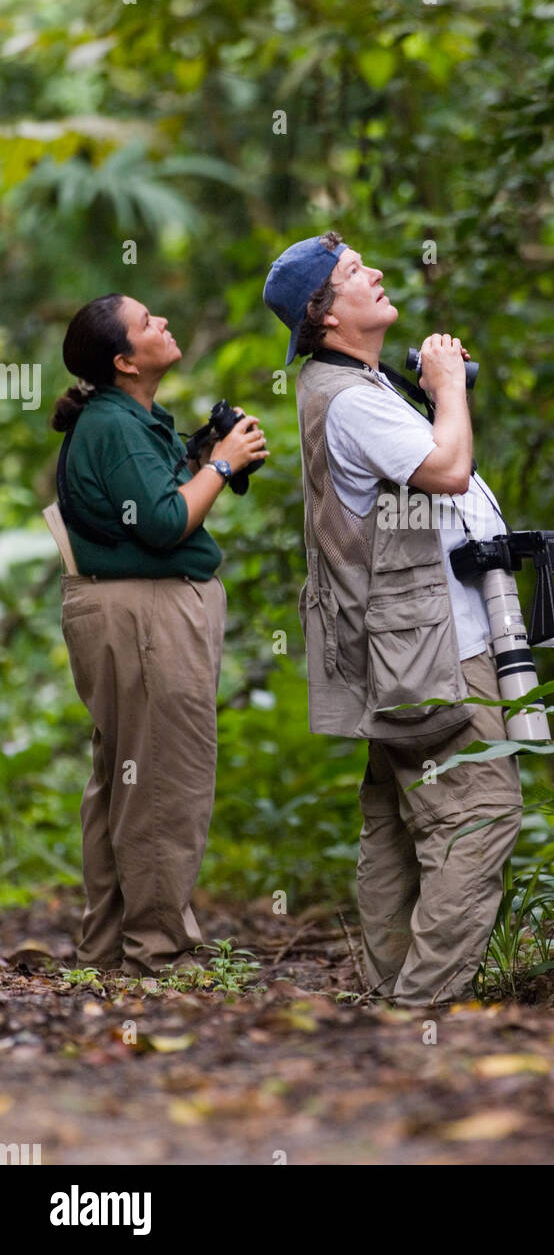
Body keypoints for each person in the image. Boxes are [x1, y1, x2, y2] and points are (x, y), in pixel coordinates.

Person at [264, 231, 523, 1007]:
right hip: (431, 653)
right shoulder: (345, 401)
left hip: (404, 645)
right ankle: (422, 1005)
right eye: (352, 273)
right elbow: (447, 470)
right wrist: (448, 385)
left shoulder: (351, 387)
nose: (373, 272)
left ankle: (387, 990)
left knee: (396, 823)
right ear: (325, 315)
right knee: (480, 813)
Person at [50, 294, 268, 977]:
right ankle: (159, 955)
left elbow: (155, 499)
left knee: (125, 776)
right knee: (162, 781)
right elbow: (163, 523)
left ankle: (109, 949)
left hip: (138, 613)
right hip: (143, 616)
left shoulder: (129, 420)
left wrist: (202, 453)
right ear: (123, 360)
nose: (165, 323)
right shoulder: (114, 425)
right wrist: (223, 464)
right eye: (148, 324)